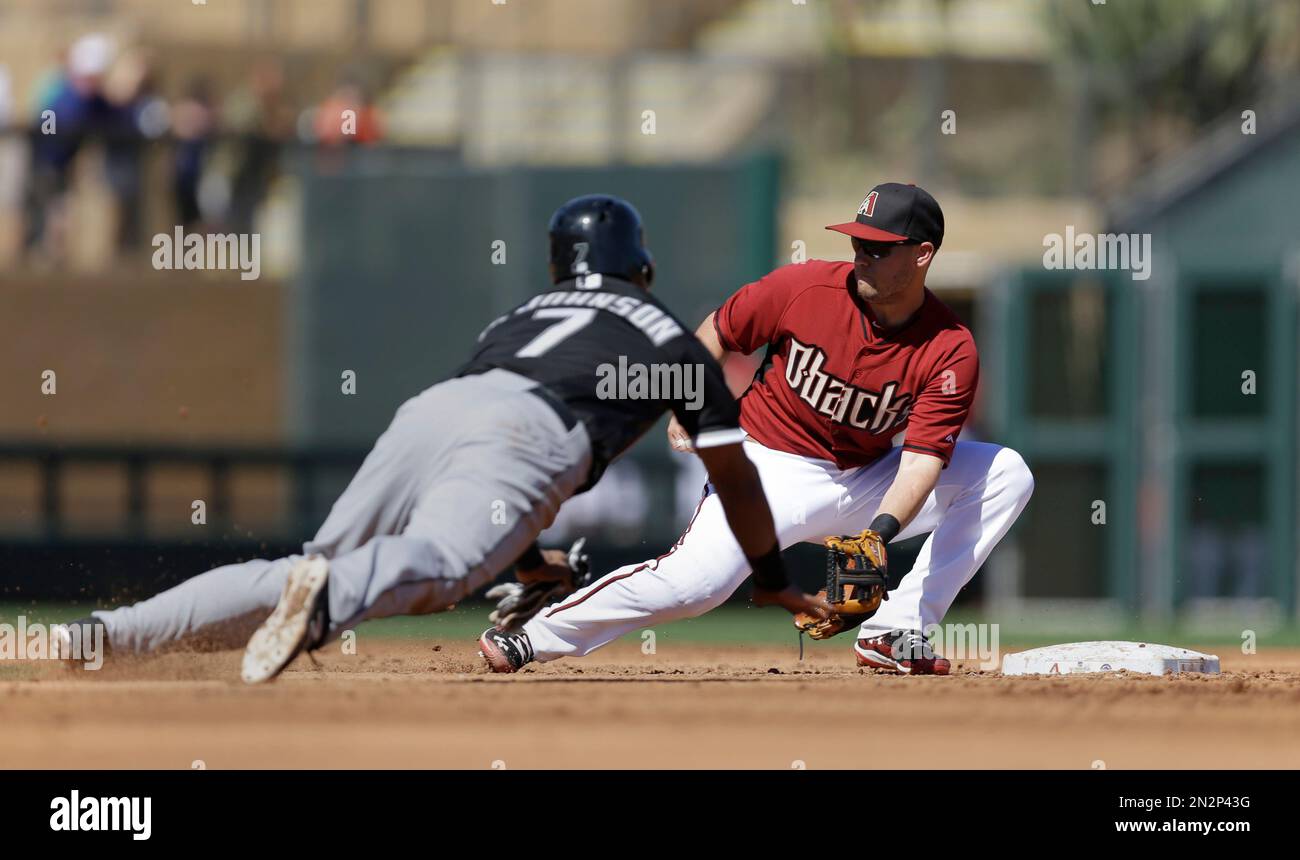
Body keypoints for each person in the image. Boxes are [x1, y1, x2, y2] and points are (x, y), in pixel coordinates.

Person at [58, 194, 827, 683]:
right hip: (531, 431)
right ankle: (328, 601)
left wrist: (529, 561)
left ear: (561, 267)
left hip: (437, 408)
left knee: (304, 566)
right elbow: (734, 477)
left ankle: (105, 637)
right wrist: (769, 572)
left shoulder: (526, 313)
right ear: (643, 269)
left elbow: (482, 457)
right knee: (442, 569)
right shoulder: (670, 339)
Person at [483, 182, 1034, 676]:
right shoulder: (805, 287)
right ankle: (533, 634)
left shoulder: (950, 347)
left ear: (922, 255)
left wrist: (879, 535)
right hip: (767, 467)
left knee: (1007, 473)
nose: (861, 256)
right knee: (693, 587)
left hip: (867, 479)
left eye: (878, 248)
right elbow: (720, 331)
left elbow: (920, 460)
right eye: (857, 243)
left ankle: (895, 630)